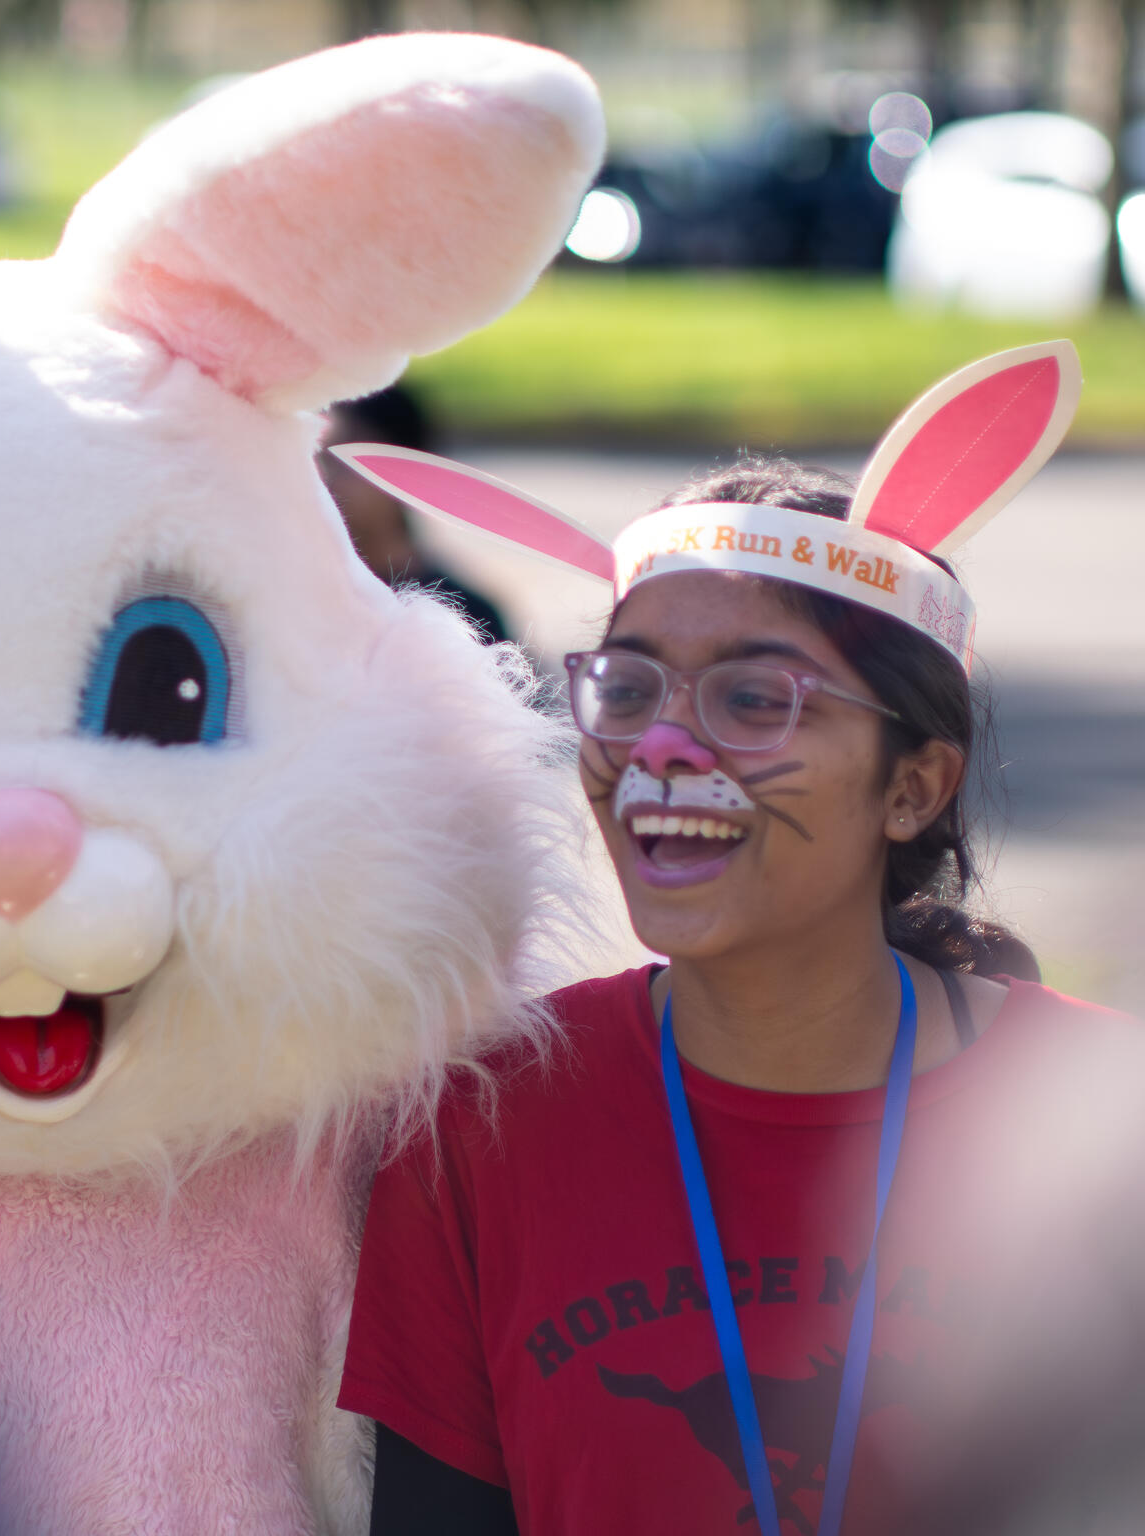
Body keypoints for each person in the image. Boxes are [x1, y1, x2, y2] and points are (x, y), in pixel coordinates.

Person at [341, 423, 1134, 1533]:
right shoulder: (479, 1123)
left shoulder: (1104, 1118)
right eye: (626, 690)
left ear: (912, 787)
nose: (659, 748)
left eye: (756, 701)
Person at [319, 384, 508, 642]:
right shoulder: (290, 600)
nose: (325, 477)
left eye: (346, 459)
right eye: (320, 456)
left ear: (408, 474)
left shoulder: (470, 617)